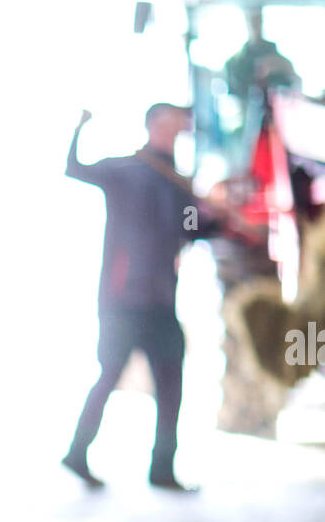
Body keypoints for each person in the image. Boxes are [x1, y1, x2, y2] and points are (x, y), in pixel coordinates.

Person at [62, 103, 229, 492]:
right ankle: (77, 452)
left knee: (171, 384)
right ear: (153, 124)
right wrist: (80, 127)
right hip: (122, 299)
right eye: (172, 121)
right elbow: (75, 168)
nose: (180, 128)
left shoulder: (180, 185)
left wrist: (222, 217)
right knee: (108, 376)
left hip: (160, 300)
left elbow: (192, 229)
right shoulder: (125, 171)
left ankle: (162, 468)